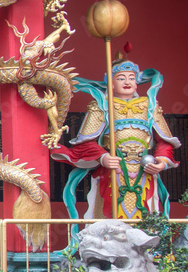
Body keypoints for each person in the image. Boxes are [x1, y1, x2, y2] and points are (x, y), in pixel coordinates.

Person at [52, 57, 179, 222]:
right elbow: (85, 143)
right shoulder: (101, 106)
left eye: (131, 78)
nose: (127, 82)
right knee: (109, 217)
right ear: (111, 83)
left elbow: (165, 142)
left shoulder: (150, 106)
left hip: (144, 170)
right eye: (121, 78)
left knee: (146, 217)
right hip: (113, 170)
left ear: (136, 82)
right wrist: (103, 157)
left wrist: (161, 161)